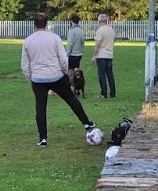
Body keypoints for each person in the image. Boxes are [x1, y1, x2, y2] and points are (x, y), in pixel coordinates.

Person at [21, 13, 102, 148]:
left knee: (40, 107)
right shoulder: (54, 38)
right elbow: (64, 59)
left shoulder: (28, 41)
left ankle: (43, 139)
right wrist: (64, 72)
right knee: (71, 99)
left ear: (34, 24)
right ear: (46, 24)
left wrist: (31, 77)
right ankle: (87, 123)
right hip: (56, 76)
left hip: (38, 78)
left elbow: (25, 64)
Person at [93, 13, 116, 99]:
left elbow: (97, 44)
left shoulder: (100, 31)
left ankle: (104, 93)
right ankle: (113, 92)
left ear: (99, 21)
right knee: (110, 74)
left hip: (101, 54)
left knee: (102, 74)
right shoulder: (111, 30)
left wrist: (94, 56)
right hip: (110, 54)